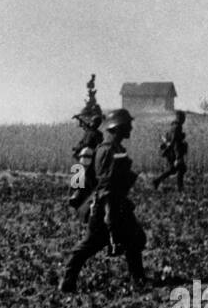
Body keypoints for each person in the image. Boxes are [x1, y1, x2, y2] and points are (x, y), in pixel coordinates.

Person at [60, 108, 147, 294]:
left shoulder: (114, 149)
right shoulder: (107, 151)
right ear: (118, 128)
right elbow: (106, 186)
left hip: (115, 204)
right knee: (89, 245)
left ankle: (138, 279)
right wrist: (109, 216)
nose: (130, 127)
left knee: (135, 238)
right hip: (105, 206)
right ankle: (67, 280)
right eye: (127, 125)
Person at [152, 110, 188, 190]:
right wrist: (178, 156)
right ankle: (180, 188)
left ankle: (157, 181)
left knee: (172, 169)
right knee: (181, 168)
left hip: (171, 152)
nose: (184, 120)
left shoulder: (172, 126)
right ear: (180, 118)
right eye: (183, 118)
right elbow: (175, 141)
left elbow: (170, 138)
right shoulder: (177, 126)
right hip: (175, 151)